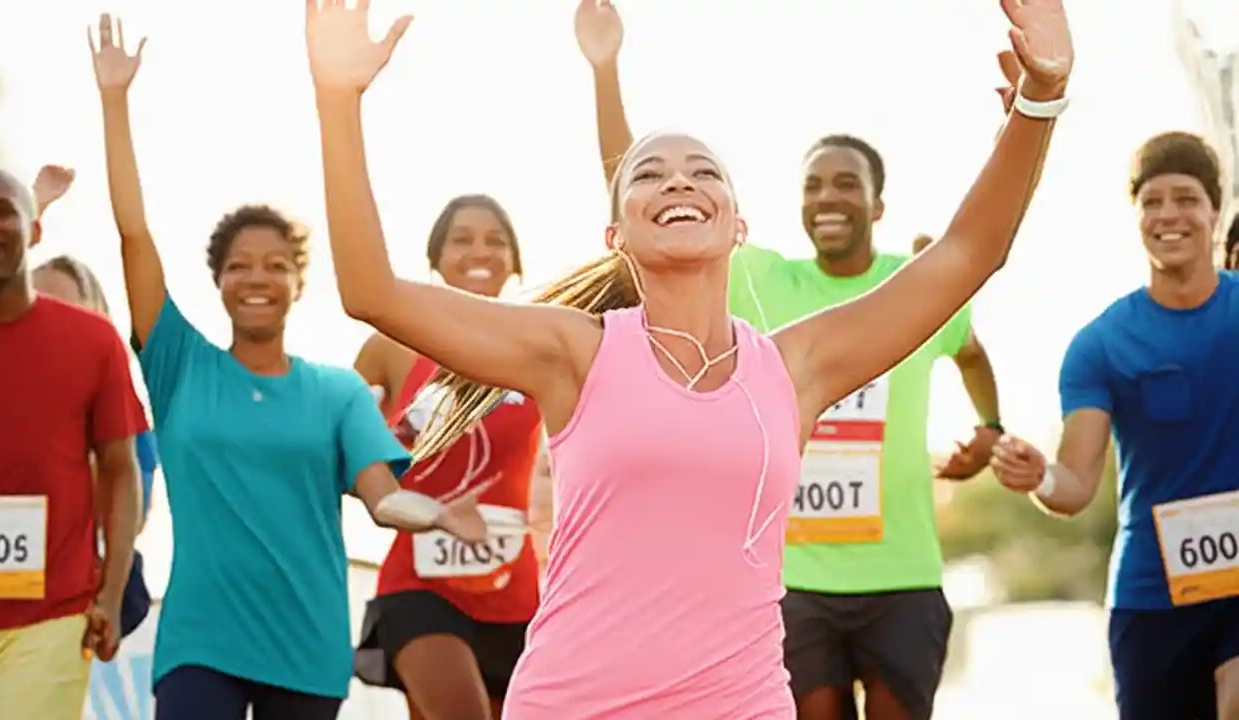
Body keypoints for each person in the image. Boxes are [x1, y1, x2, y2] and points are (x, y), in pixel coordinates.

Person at [304, 0, 1072, 717]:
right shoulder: (574, 350)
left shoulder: (797, 366)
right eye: (649, 173)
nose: (679, 179)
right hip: (575, 701)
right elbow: (370, 290)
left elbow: (969, 254)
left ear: (738, 225)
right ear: (617, 236)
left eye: (705, 171)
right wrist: (338, 102)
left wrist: (1041, 99)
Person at [574, 3, 1005, 717]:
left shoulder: (912, 288)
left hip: (901, 575)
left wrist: (989, 429)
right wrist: (604, 70)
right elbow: (641, 203)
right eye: (813, 185)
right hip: (792, 577)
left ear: (879, 203)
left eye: (845, 185)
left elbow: (973, 352)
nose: (827, 198)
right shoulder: (758, 277)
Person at [88, 13, 486, 720]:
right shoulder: (181, 366)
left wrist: (439, 515)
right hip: (200, 645)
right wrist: (115, 102)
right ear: (218, 281)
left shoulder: (335, 393)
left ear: (298, 283)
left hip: (305, 650)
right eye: (240, 266)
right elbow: (133, 236)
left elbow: (382, 500)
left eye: (275, 266)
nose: (257, 279)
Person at [991, 131, 1239, 720]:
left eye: (1185, 197)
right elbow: (1075, 484)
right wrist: (1038, 479)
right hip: (1152, 596)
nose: (1168, 214)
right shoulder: (1101, 345)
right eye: (1151, 201)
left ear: (1214, 210)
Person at [0, 165, 145, 720]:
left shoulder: (92, 341)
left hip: (49, 619)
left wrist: (111, 592)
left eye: (0, 211)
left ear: (34, 230)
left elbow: (120, 468)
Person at [352, 195, 544, 720]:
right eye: (461, 239)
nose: (479, 251)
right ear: (434, 260)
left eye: (495, 240)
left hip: (516, 591)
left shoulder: (543, 348)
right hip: (419, 586)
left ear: (515, 262)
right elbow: (339, 445)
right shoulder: (390, 349)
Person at [31, 165, 159, 638]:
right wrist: (33, 208)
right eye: (36, 306)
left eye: (65, 313)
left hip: (73, 591)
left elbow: (136, 508)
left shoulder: (119, 404)